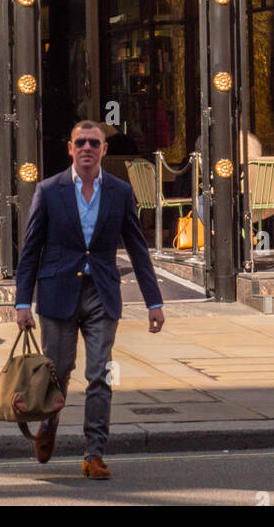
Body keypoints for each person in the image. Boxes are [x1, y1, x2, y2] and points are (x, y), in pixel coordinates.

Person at [14, 119, 165, 478]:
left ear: (104, 150)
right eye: (80, 142)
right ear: (70, 148)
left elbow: (137, 248)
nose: (86, 148)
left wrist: (154, 301)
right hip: (57, 293)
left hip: (101, 294)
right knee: (58, 373)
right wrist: (23, 302)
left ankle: (93, 453)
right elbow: (31, 248)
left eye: (93, 143)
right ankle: (48, 426)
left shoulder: (120, 191)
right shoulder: (49, 190)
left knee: (100, 374)